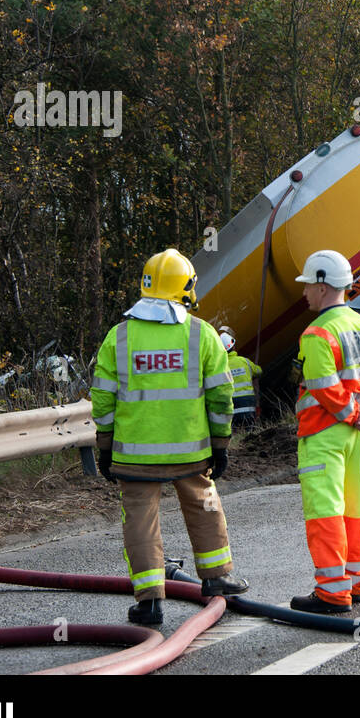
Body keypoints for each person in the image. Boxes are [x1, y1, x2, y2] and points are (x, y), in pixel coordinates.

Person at [91, 248, 249, 625]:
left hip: (134, 458)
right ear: (186, 289)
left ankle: (149, 603)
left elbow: (102, 398)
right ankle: (216, 579)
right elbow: (221, 396)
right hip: (191, 454)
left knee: (140, 522)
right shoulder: (202, 334)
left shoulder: (120, 337)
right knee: (204, 506)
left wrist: (105, 444)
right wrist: (220, 443)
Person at [289, 249, 360, 613]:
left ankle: (333, 593)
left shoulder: (317, 332)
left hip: (325, 433)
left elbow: (324, 386)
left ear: (322, 286)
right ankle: (355, 582)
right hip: (356, 438)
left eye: (307, 285)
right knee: (354, 508)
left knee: (325, 511)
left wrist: (354, 413)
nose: (304, 292)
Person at [219, 326, 263, 428]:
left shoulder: (221, 367)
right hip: (247, 401)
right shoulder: (245, 362)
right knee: (250, 429)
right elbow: (259, 371)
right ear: (234, 346)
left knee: (236, 429)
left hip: (230, 404)